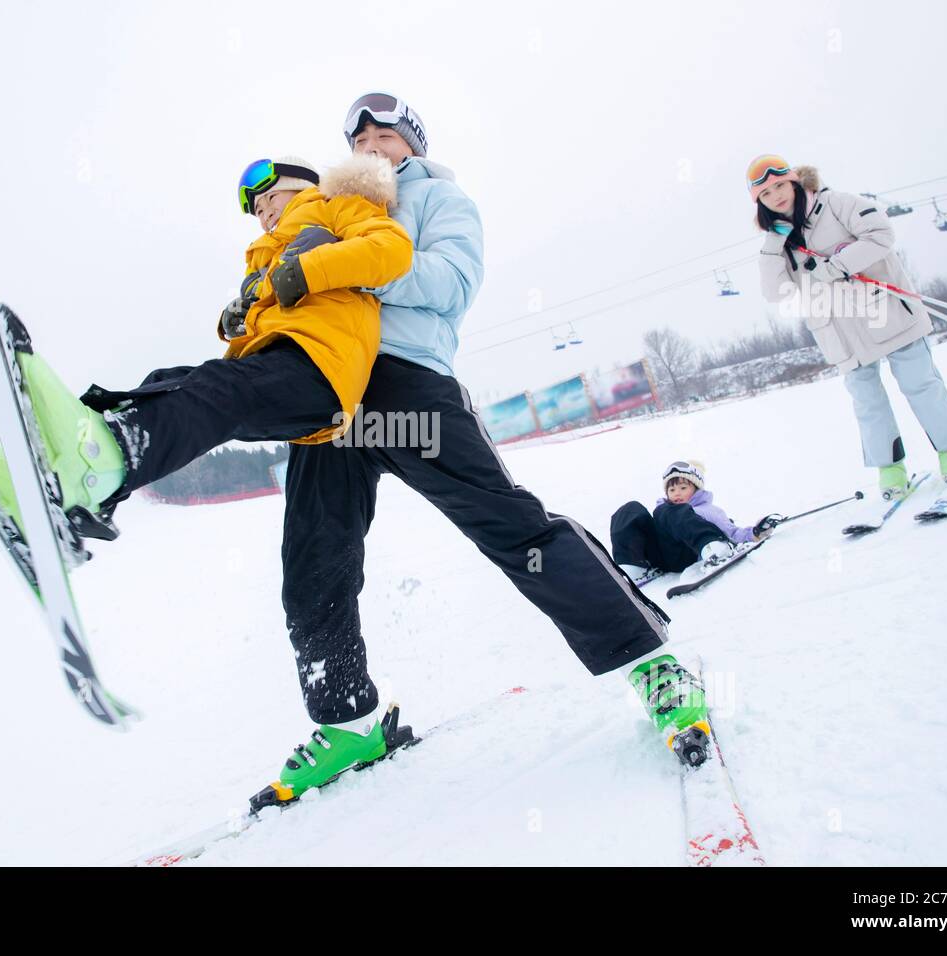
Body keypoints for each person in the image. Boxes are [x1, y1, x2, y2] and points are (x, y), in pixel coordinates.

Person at [262, 92, 705, 807]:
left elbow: (449, 284)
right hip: (334, 401)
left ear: (412, 142)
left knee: (515, 532)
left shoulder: (440, 201)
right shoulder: (331, 209)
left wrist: (354, 264)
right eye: (360, 139)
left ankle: (651, 665)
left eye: (386, 134)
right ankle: (349, 723)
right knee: (313, 557)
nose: (372, 146)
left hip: (410, 391)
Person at [0, 153, 413, 546]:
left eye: (270, 199)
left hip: (323, 371)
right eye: (256, 210)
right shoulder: (265, 255)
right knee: (167, 382)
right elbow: (272, 312)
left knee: (218, 389)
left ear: (301, 186)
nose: (263, 213)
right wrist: (236, 316)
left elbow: (391, 249)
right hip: (283, 363)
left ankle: (95, 469)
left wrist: (306, 271)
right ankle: (56, 477)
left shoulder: (336, 207)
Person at [751, 154, 947, 499]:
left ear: (794, 180)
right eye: (766, 194)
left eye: (780, 185)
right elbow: (774, 292)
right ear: (759, 202)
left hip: (887, 314)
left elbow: (881, 234)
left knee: (921, 385)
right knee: (868, 403)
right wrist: (772, 243)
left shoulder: (837, 204)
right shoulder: (778, 243)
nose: (776, 196)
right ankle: (891, 469)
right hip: (841, 335)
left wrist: (835, 266)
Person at [610, 460, 768, 582]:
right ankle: (634, 566)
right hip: (662, 556)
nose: (677, 493)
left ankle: (712, 547)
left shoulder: (707, 510)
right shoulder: (664, 511)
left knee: (671, 511)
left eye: (683, 488)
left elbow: (732, 531)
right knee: (630, 509)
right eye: (672, 490)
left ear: (696, 490)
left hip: (688, 552)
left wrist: (754, 533)